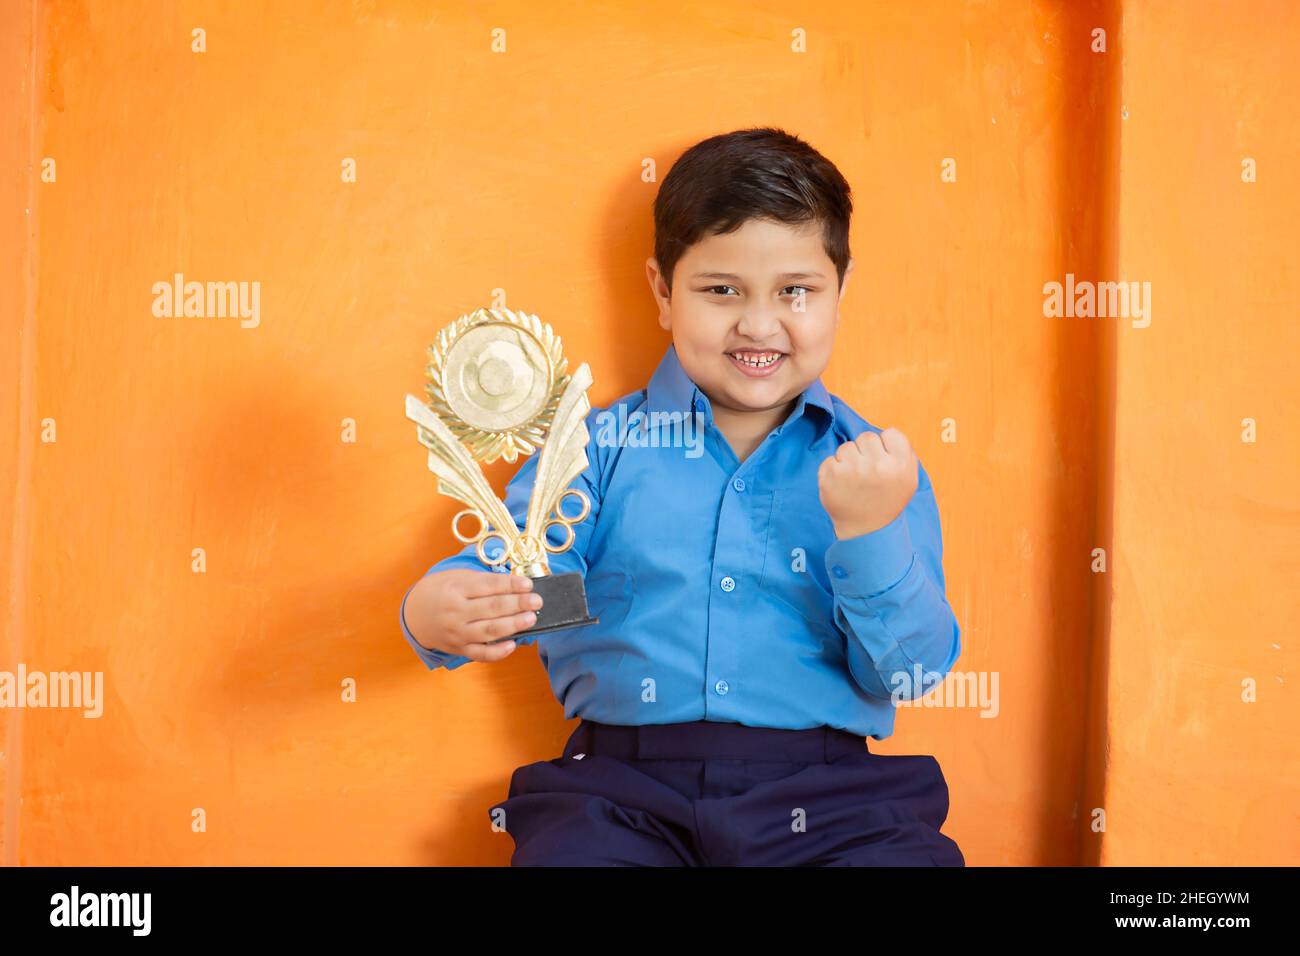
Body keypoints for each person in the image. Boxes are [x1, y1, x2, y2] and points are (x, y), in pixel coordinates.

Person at [400, 126, 964, 866]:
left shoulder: (877, 473)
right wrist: (441, 609)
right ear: (664, 292)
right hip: (619, 796)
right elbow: (537, 582)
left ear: (840, 291)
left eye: (796, 290)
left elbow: (908, 674)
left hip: (833, 804)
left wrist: (867, 535)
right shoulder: (593, 452)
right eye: (721, 290)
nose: (759, 324)